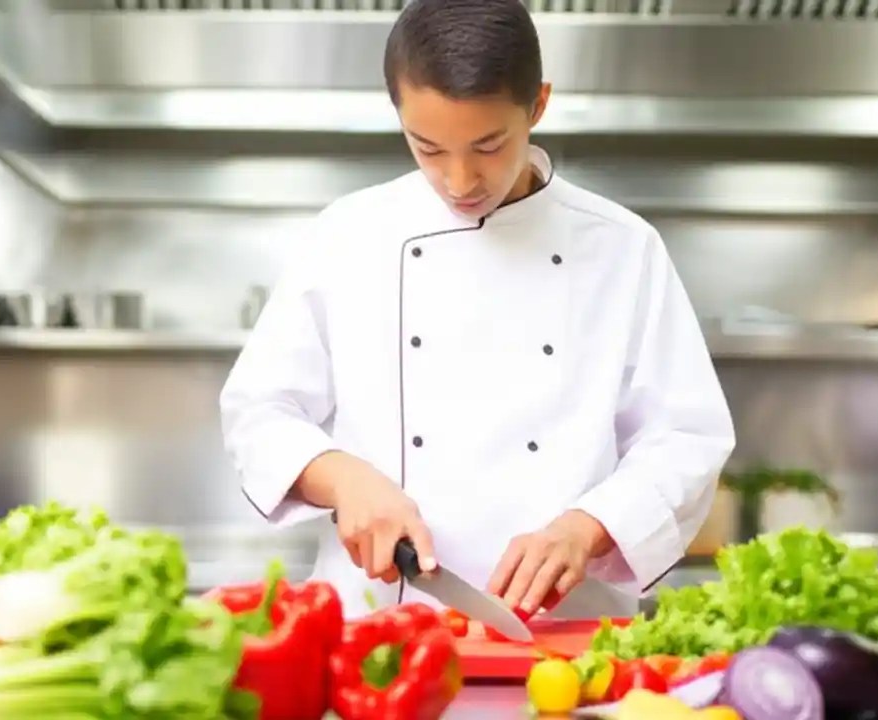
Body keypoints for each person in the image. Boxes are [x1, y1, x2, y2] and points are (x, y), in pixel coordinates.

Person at [219, 0, 735, 621]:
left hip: (561, 630)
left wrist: (589, 526)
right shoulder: (350, 233)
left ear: (538, 106)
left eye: (489, 145)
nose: (460, 180)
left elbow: (685, 437)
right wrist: (343, 478)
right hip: (380, 622)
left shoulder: (622, 247)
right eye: (428, 147)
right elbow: (259, 411)